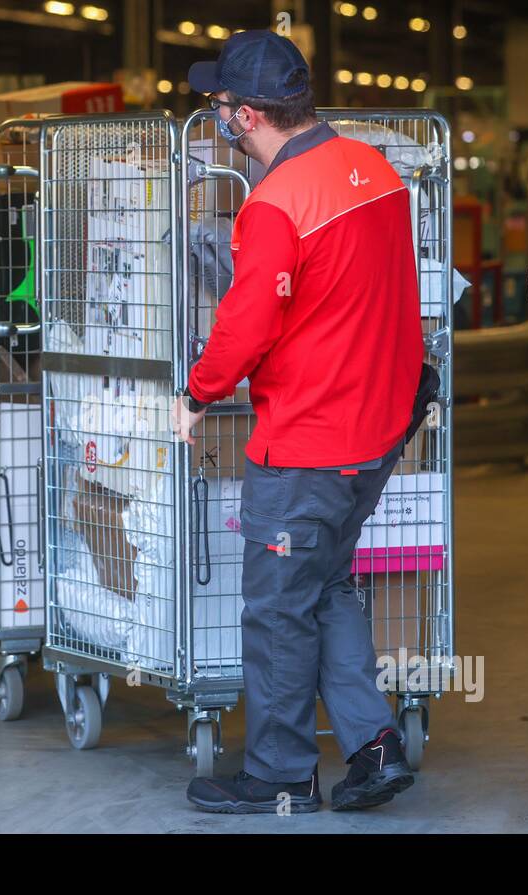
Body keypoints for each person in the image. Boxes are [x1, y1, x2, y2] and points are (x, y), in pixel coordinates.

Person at [172, 29, 437, 814]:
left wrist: (195, 395)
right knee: (326, 589)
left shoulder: (277, 202)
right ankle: (374, 744)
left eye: (219, 105)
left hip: (310, 442)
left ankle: (281, 774)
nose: (217, 116)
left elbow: (246, 324)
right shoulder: (375, 170)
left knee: (280, 610)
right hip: (380, 428)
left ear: (246, 115)